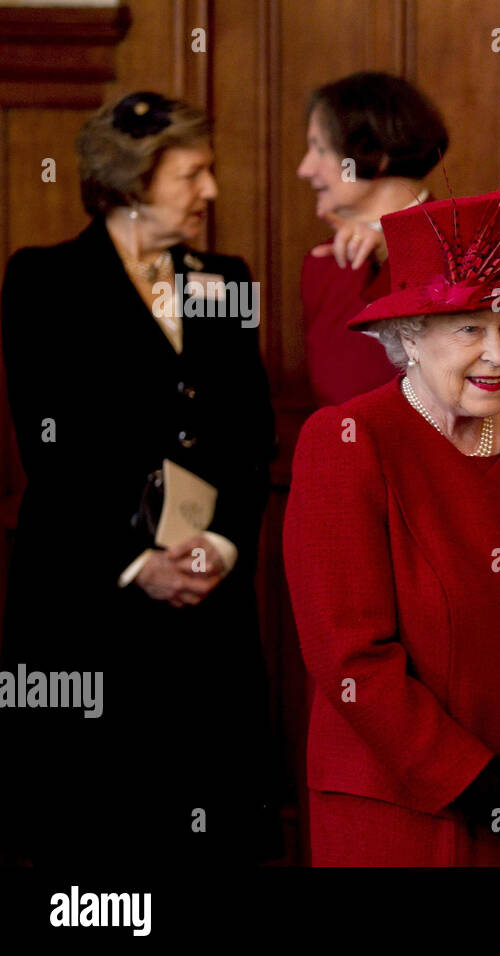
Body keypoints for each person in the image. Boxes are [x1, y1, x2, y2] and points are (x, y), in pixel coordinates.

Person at [282, 183, 500, 866]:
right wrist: (469, 777)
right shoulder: (350, 440)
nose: (498, 354)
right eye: (470, 328)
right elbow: (350, 657)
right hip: (408, 816)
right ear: (409, 336)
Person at [0, 91, 279, 865]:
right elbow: (52, 452)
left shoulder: (228, 279)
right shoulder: (43, 280)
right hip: (90, 608)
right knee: (96, 839)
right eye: (193, 174)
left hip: (206, 610)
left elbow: (252, 440)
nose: (211, 193)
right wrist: (136, 565)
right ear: (128, 181)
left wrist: (221, 547)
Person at [296, 72, 449, 406]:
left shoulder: (467, 244)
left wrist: (390, 252)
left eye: (320, 150)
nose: (305, 169)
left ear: (375, 155)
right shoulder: (322, 263)